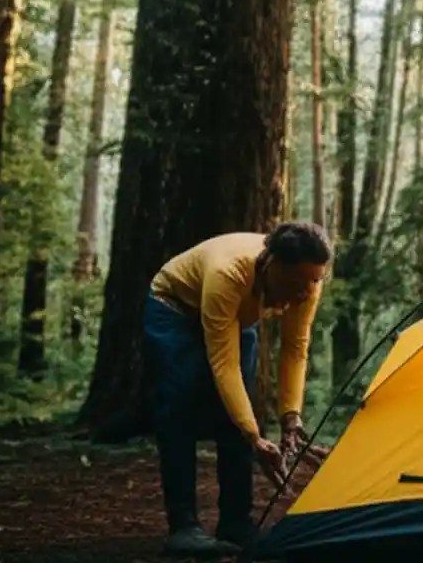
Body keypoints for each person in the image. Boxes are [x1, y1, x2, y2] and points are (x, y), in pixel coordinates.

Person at [142, 222, 332, 557]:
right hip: (176, 308)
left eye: (314, 281)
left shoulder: (307, 282)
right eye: (294, 283)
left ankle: (235, 521)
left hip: (240, 315)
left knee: (241, 409)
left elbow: (294, 349)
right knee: (180, 407)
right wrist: (254, 436)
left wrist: (291, 416)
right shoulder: (228, 273)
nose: (304, 292)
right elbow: (224, 365)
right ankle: (183, 526)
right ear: (272, 265)